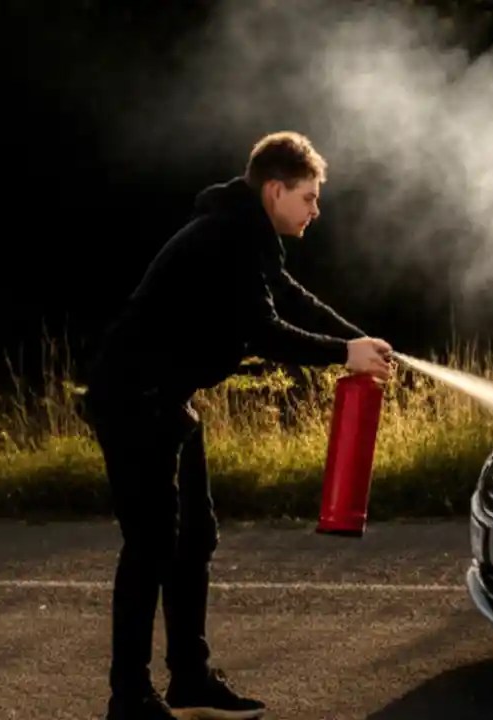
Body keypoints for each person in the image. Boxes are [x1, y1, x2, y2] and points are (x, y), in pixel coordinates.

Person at [82, 131, 393, 720]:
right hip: (133, 401)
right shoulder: (226, 237)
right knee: (151, 546)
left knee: (195, 537)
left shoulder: (248, 235)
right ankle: (130, 698)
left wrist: (359, 341)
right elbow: (265, 331)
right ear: (275, 190)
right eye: (309, 197)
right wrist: (342, 354)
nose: (315, 210)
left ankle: (190, 679)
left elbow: (289, 298)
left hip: (169, 400)